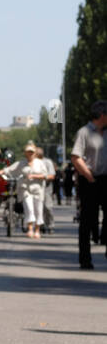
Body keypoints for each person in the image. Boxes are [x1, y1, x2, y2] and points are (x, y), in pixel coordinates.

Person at [70, 100, 107, 269]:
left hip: (106, 179)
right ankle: (85, 259)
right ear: (102, 115)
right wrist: (89, 176)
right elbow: (76, 157)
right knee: (87, 221)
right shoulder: (84, 133)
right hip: (90, 180)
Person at [0, 143, 45, 239]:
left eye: (31, 152)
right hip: (25, 189)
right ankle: (30, 229)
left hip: (37, 190)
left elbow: (45, 175)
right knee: (29, 208)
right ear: (25, 153)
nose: (30, 154)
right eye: (28, 152)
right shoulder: (21, 163)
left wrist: (34, 176)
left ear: (35, 153)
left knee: (38, 210)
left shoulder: (40, 163)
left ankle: (37, 230)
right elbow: (9, 170)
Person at [36, 147, 56, 234]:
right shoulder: (33, 163)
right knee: (37, 207)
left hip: (46, 187)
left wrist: (43, 178)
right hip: (35, 187)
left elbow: (52, 175)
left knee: (47, 207)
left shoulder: (47, 162)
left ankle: (50, 225)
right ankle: (41, 225)